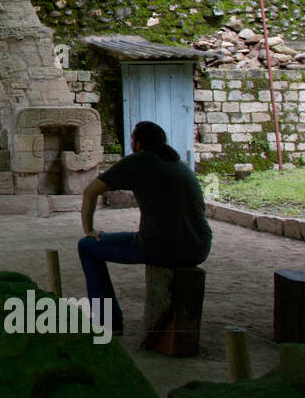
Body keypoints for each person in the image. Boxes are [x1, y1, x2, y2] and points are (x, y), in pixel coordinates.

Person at [78, 120, 212, 333]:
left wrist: (89, 230)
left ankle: (108, 322)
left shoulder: (139, 161)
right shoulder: (177, 163)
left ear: (138, 143)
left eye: (132, 139)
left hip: (162, 247)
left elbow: (90, 191)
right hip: (200, 246)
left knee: (87, 246)